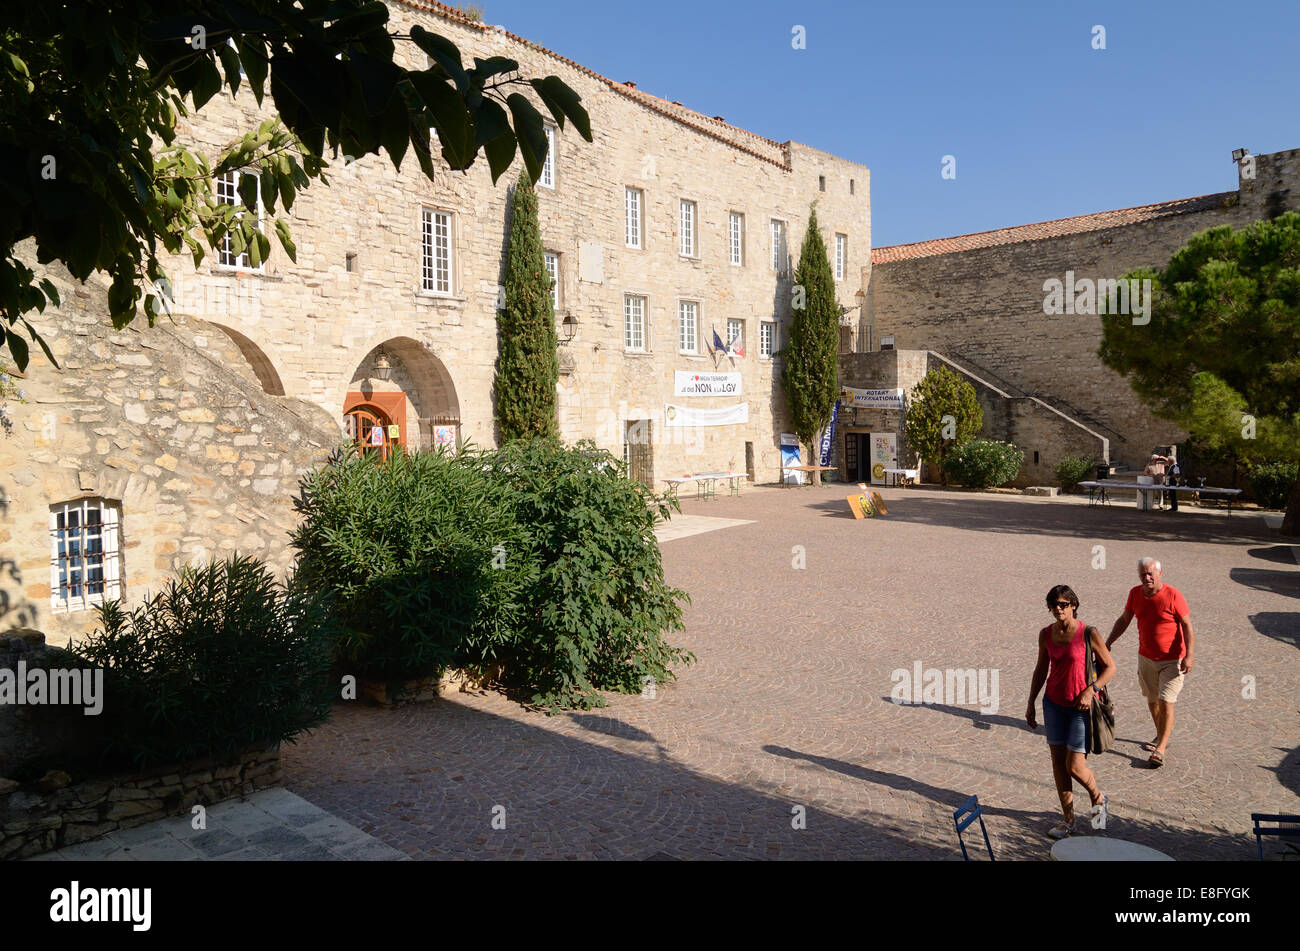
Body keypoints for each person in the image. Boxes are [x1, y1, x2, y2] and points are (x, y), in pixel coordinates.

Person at [1026, 585, 1114, 838]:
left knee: (1074, 766)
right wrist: (1031, 702)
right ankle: (1068, 820)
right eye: (1053, 605)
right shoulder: (1045, 634)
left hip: (1080, 708)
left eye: (1063, 604)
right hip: (1053, 704)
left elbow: (1110, 667)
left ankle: (1098, 797)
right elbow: (1041, 669)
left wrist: (1091, 690)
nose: (1058, 609)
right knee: (1058, 765)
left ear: (1073, 605)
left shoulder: (1088, 633)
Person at [1105, 557, 1195, 768]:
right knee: (1152, 700)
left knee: (1165, 701)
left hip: (1172, 660)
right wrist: (1108, 642)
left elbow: (1187, 626)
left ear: (1160, 574)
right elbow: (1125, 619)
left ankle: (1160, 749)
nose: (1147, 577)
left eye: (1150, 573)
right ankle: (1160, 734)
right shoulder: (1135, 593)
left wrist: (1189, 655)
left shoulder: (1173, 595)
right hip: (1146, 658)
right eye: (1143, 574)